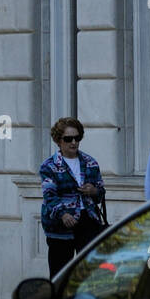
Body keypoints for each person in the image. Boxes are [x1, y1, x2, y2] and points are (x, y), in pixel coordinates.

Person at [40, 117, 107, 279]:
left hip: (87, 220)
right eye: (68, 139)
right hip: (61, 224)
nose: (73, 142)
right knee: (60, 273)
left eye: (77, 138)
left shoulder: (90, 162)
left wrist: (94, 191)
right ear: (58, 141)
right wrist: (63, 213)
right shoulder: (49, 166)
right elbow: (49, 196)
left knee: (90, 270)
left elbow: (101, 192)